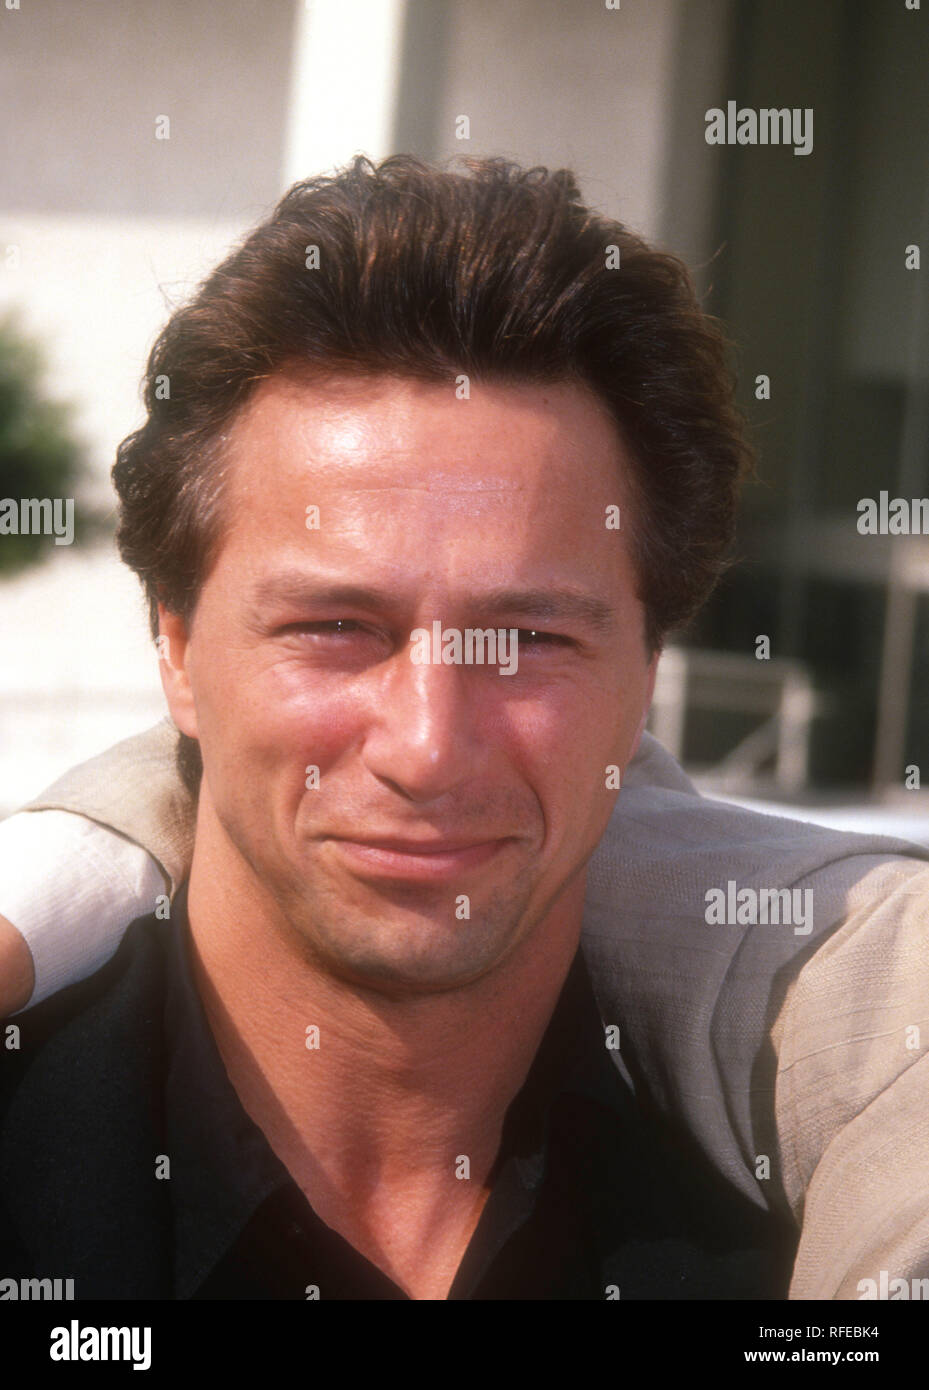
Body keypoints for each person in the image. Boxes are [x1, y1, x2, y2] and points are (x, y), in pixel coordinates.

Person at [1, 155, 927, 1301]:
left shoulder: (822, 1244)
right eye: (335, 624)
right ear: (179, 653)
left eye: (532, 640)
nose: (427, 745)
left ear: (643, 676)